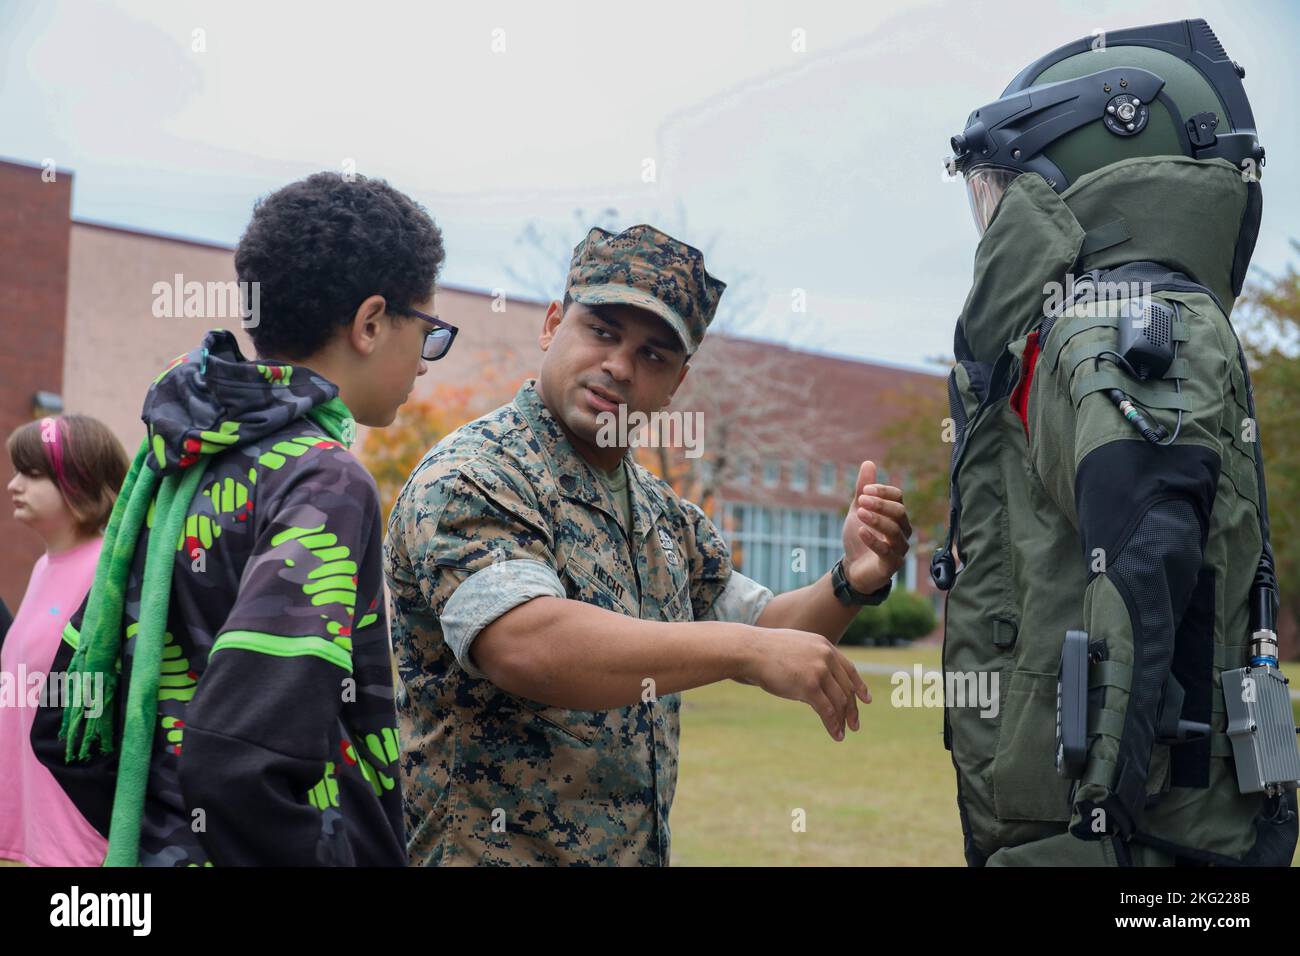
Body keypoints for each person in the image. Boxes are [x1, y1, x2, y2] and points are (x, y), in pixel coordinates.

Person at [386, 223, 913, 865]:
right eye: (602, 331)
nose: (619, 365)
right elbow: (525, 643)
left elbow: (770, 625)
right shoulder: (475, 475)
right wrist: (745, 651)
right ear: (552, 324)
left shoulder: (663, 512)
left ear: (678, 383)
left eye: (653, 354)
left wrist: (852, 579)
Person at [936, 18, 1297, 865]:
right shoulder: (1110, 321)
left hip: (1119, 841)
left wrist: (1101, 821)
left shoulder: (1101, 324)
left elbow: (1141, 559)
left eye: (1000, 186)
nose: (989, 217)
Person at [31, 171, 451, 866]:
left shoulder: (180, 458)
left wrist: (165, 836)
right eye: (429, 332)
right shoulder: (323, 478)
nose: (428, 365)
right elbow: (236, 760)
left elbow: (64, 719)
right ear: (372, 323)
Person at [1, 415, 128, 866]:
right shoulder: (42, 567)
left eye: (32, 474)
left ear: (80, 481)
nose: (14, 484)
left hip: (77, 840)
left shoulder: (110, 574)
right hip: (25, 827)